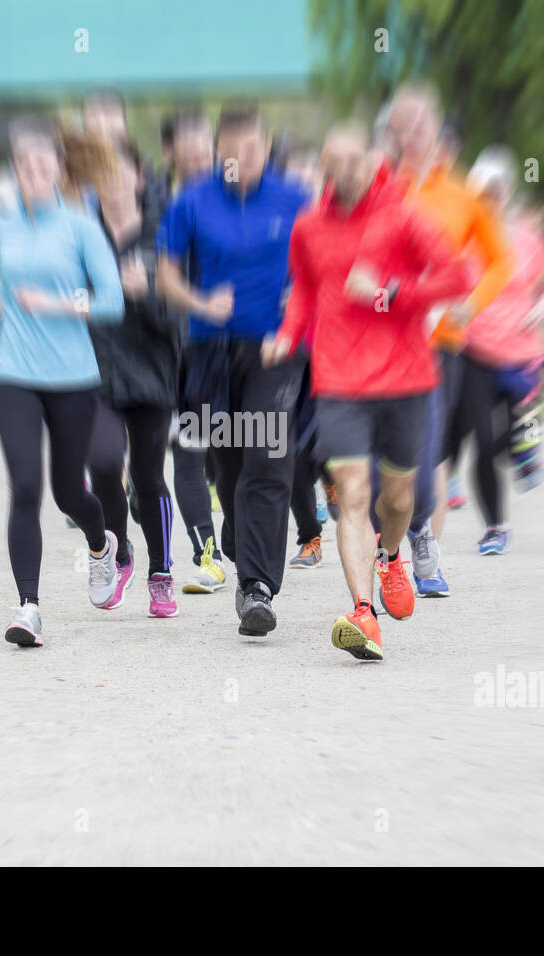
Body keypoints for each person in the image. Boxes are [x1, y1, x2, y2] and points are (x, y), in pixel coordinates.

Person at [265, 122, 471, 661]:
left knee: (399, 499)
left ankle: (392, 555)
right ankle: (363, 613)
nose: (344, 175)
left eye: (354, 163)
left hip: (405, 378)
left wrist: (389, 290)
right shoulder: (308, 227)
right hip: (339, 381)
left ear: (371, 163)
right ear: (325, 170)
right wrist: (287, 336)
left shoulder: (402, 216)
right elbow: (304, 293)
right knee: (352, 495)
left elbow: (456, 277)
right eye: (333, 165)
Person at [0, 115, 126, 647]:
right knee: (26, 487)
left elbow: (112, 301)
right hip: (14, 372)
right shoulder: (5, 226)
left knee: (66, 492)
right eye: (23, 165)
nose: (32, 172)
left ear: (59, 170)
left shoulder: (82, 225)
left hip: (72, 377)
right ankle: (29, 608)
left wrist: (59, 305)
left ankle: (101, 545)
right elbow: (8, 286)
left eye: (43, 164)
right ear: (15, 172)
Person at [158, 105, 312, 636]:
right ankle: (239, 537)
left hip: (275, 349)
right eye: (231, 151)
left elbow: (322, 263)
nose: (240, 160)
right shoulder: (191, 201)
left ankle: (256, 588)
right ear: (218, 151)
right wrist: (199, 303)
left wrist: (302, 297)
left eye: (251, 150)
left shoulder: (294, 200)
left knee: (268, 454)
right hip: (212, 352)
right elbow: (166, 277)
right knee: (227, 465)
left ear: (266, 147)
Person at [380, 81, 511, 592]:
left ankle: (421, 548)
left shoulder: (462, 196)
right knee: (382, 457)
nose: (412, 134)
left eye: (422, 124)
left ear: (438, 130)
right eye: (402, 125)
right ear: (388, 130)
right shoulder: (374, 188)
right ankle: (390, 549)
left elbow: (500, 261)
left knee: (428, 450)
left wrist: (472, 302)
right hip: (380, 343)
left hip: (439, 344)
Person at [452, 145, 544, 552]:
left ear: (509, 190)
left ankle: (524, 453)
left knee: (514, 438)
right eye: (484, 189)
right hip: (476, 351)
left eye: (497, 188)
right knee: (483, 441)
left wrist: (540, 309)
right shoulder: (464, 239)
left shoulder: (530, 237)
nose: (491, 196)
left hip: (523, 354)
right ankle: (495, 527)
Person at [85, 142, 182, 615]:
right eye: (104, 177)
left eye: (122, 175)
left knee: (147, 475)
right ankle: (119, 553)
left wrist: (147, 294)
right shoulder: (82, 235)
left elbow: (179, 315)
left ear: (141, 177)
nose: (114, 186)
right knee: (102, 463)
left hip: (151, 372)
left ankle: (161, 572)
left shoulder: (165, 234)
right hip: (95, 372)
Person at [158, 110, 230, 594]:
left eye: (207, 150)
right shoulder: (157, 208)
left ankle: (243, 544)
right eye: (191, 152)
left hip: (223, 345)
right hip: (170, 347)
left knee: (229, 453)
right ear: (171, 156)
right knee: (188, 451)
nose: (201, 158)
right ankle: (208, 553)